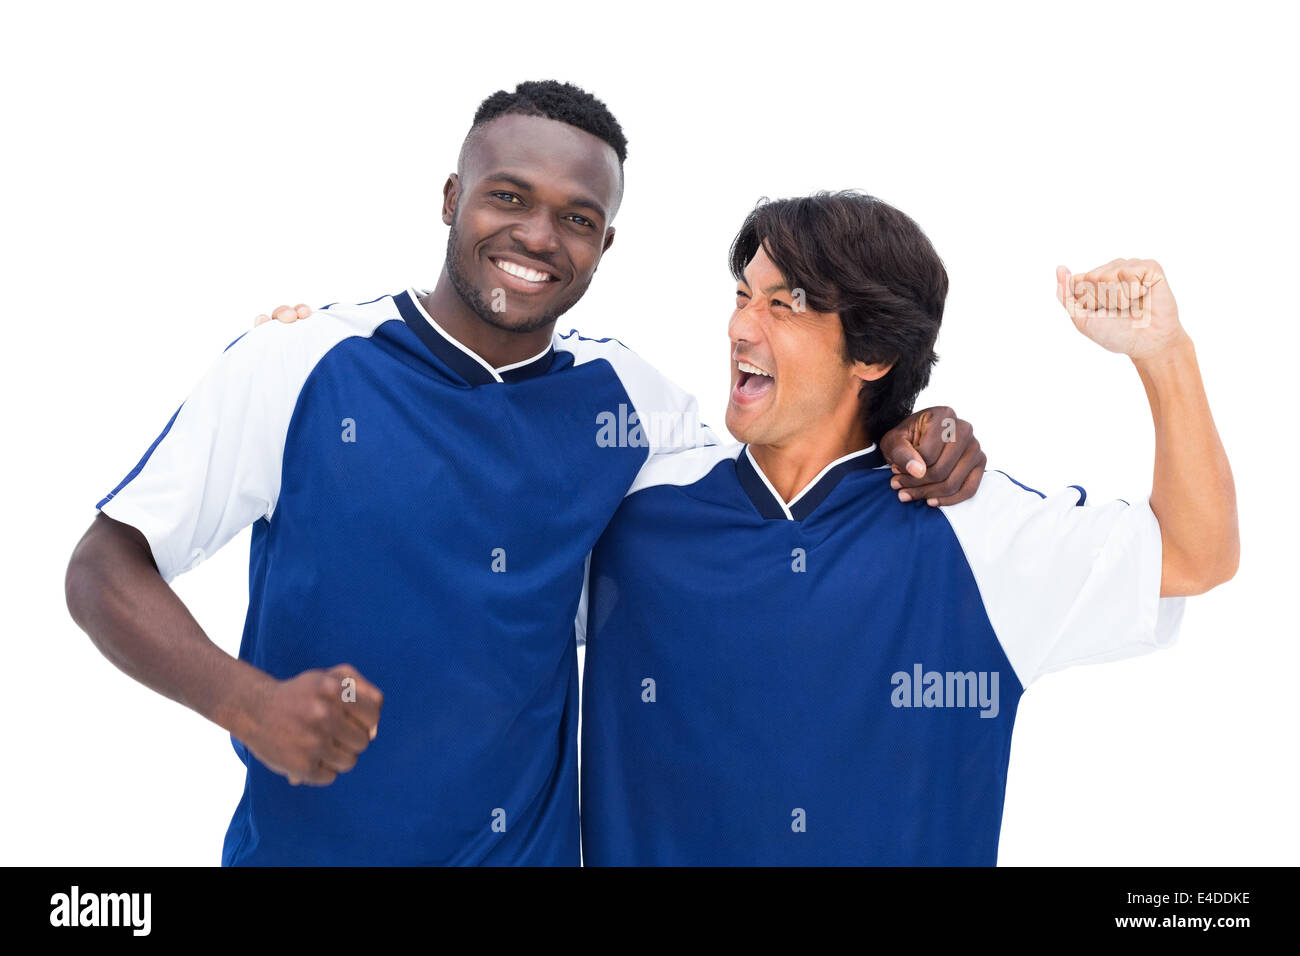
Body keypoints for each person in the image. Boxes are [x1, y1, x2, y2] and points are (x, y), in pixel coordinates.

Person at [64, 84, 981, 866]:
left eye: (578, 218)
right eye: (509, 196)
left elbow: (788, 454)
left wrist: (911, 426)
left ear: (605, 244)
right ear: (453, 195)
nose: (538, 236)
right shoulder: (301, 364)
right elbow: (104, 566)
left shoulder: (629, 402)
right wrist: (248, 703)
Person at [576, 191, 1238, 865]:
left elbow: (1195, 553)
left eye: (782, 305)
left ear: (872, 355)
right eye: (742, 295)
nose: (740, 327)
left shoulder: (970, 530)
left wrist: (1165, 355)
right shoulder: (632, 506)